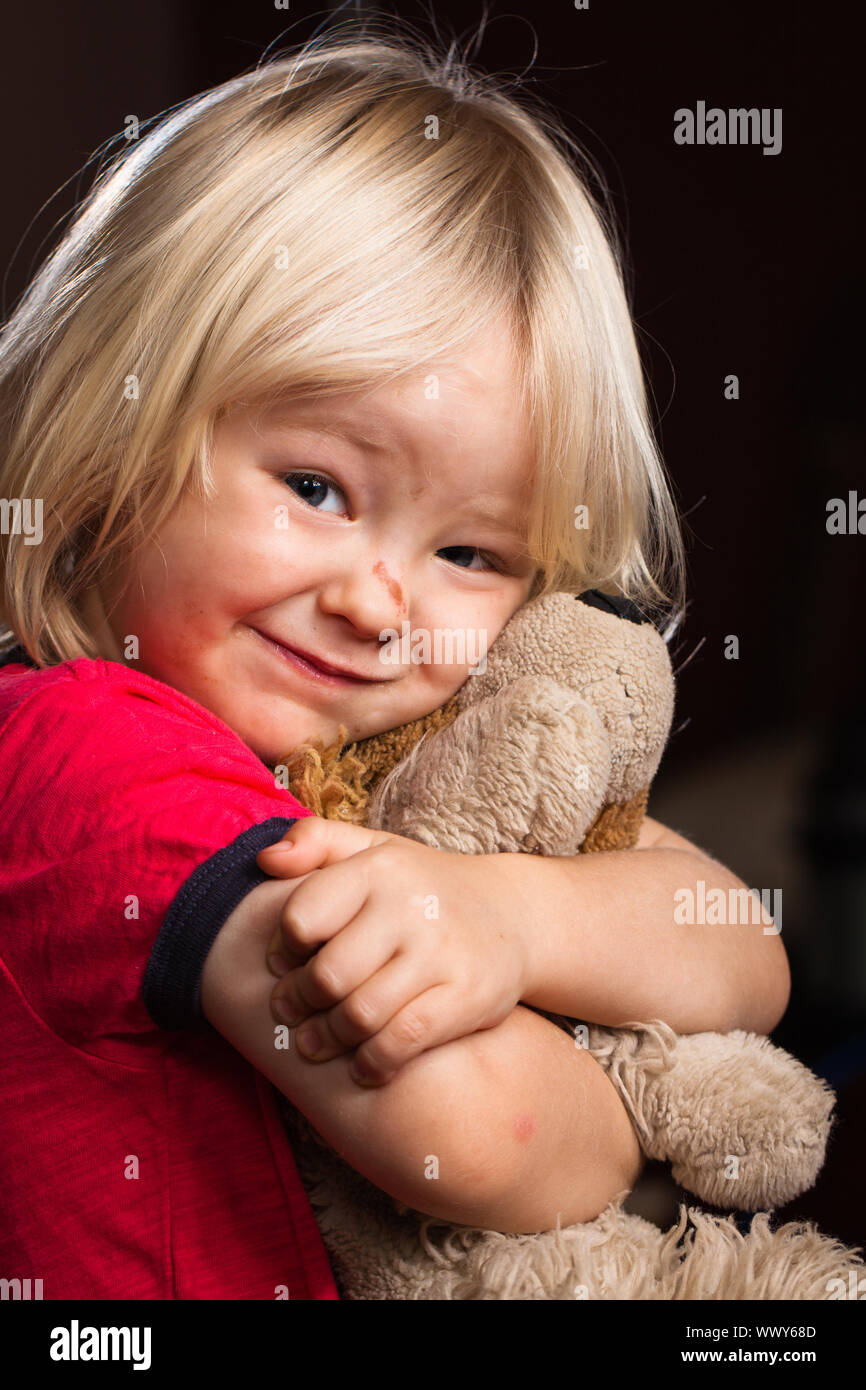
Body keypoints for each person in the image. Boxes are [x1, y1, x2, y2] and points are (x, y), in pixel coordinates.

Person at [0, 22, 790, 1299]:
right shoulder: (89, 753)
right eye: (316, 485)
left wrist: (505, 918)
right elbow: (478, 1143)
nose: (382, 605)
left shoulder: (395, 759)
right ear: (113, 440)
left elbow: (739, 947)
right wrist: (619, 1095)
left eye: (473, 555)